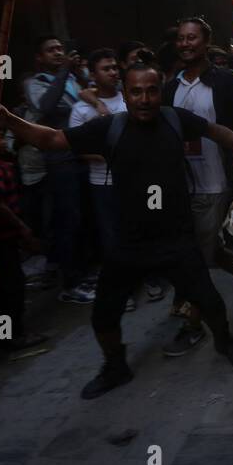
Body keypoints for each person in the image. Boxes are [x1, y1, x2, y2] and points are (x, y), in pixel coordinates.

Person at [0, 63, 233, 398]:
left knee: (211, 302)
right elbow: (52, 138)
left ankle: (224, 341)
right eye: (136, 91)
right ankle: (115, 366)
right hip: (128, 243)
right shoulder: (108, 128)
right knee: (103, 316)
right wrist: (10, 120)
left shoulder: (175, 119)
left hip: (175, 238)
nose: (144, 99)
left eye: (152, 90)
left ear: (160, 90)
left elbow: (218, 132)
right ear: (125, 94)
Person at [162, 17, 233, 357]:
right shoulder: (170, 87)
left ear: (205, 41)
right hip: (183, 184)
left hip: (217, 181)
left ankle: (192, 324)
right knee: (205, 253)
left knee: (197, 257)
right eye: (180, 38)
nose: (185, 44)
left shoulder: (225, 82)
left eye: (192, 37)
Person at [69, 50, 156, 304]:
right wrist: (117, 156)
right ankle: (123, 291)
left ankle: (149, 278)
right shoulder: (80, 109)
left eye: (114, 68)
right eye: (105, 69)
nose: (112, 72)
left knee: (142, 230)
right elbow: (79, 149)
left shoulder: (130, 99)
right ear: (93, 75)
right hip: (103, 185)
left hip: (135, 180)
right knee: (112, 238)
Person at [24, 36, 95, 304]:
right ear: (39, 58)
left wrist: (77, 73)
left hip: (81, 156)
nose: (57, 53)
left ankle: (84, 273)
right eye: (50, 50)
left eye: (60, 49)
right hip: (59, 161)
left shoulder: (72, 79)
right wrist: (65, 70)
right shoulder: (36, 84)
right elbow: (46, 107)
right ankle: (71, 283)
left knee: (84, 219)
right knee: (68, 220)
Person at [0, 127, 47, 355]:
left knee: (10, 286)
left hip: (2, 236)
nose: (4, 141)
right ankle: (8, 336)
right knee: (11, 287)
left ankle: (2, 336)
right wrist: (23, 229)